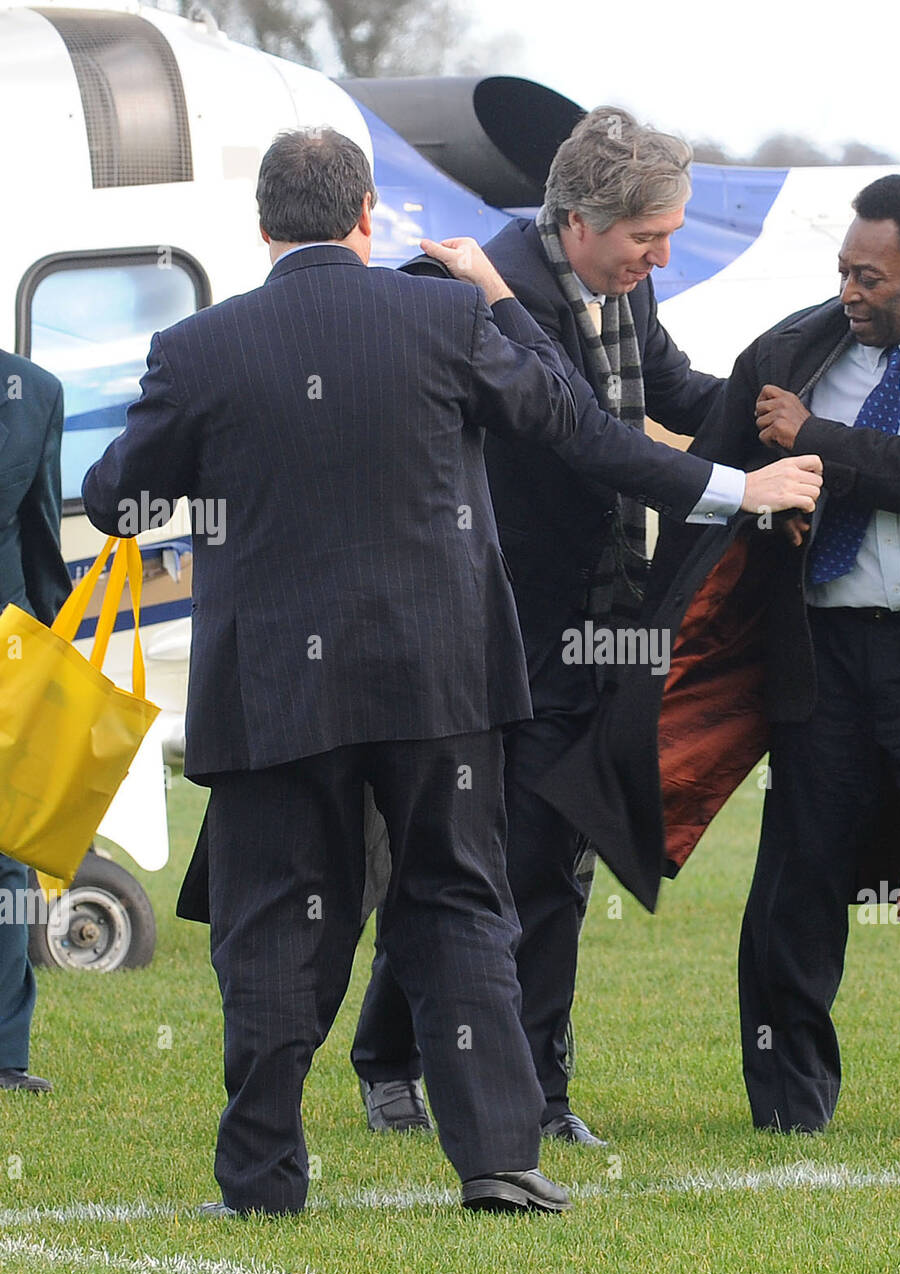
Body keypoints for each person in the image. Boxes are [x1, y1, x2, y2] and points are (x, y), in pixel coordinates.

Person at [83, 127, 589, 1216]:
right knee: (457, 903)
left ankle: (263, 1176)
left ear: (262, 227)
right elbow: (554, 411)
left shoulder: (197, 348)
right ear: (369, 215)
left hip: (274, 694)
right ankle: (499, 1154)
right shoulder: (449, 317)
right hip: (439, 685)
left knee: (272, 924)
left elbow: (118, 502)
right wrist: (496, 294)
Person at [540, 174, 900, 1145]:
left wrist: (815, 442)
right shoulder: (788, 349)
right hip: (819, 655)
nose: (849, 292)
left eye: (872, 277)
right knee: (797, 884)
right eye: (842, 271)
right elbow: (715, 481)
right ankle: (787, 1104)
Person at [350, 107, 822, 1144]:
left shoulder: (621, 282)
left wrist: (797, 419)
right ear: (575, 219)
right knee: (470, 859)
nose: (659, 257)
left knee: (548, 862)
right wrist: (743, 487)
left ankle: (542, 1094)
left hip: (596, 625)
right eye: (646, 238)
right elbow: (587, 438)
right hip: (479, 628)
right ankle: (391, 1059)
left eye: (668, 236)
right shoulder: (466, 289)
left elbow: (677, 392)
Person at [0, 349, 70, 1095]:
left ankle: (3, 1054)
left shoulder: (36, 393)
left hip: (9, 653)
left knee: (6, 851)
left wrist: (56, 659)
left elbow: (40, 533)